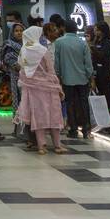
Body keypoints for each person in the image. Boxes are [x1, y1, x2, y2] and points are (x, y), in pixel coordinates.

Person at [17, 25, 67, 154]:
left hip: (33, 89)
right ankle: (57, 145)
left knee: (38, 116)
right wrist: (58, 86)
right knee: (54, 115)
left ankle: (41, 146)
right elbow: (51, 70)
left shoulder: (23, 51)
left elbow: (22, 71)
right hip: (48, 88)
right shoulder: (43, 50)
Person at [54, 18, 95, 138]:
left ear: (64, 29)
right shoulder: (82, 43)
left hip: (66, 78)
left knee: (70, 103)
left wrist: (58, 76)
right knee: (83, 103)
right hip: (82, 78)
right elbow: (88, 63)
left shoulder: (59, 42)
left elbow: (57, 63)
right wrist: (90, 76)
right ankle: (86, 128)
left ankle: (73, 129)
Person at [92, 21, 110, 123]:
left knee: (108, 94)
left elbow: (104, 56)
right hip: (97, 71)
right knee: (101, 95)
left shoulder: (108, 42)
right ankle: (104, 117)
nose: (95, 31)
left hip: (105, 71)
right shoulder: (96, 41)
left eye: (97, 30)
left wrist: (93, 49)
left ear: (102, 31)